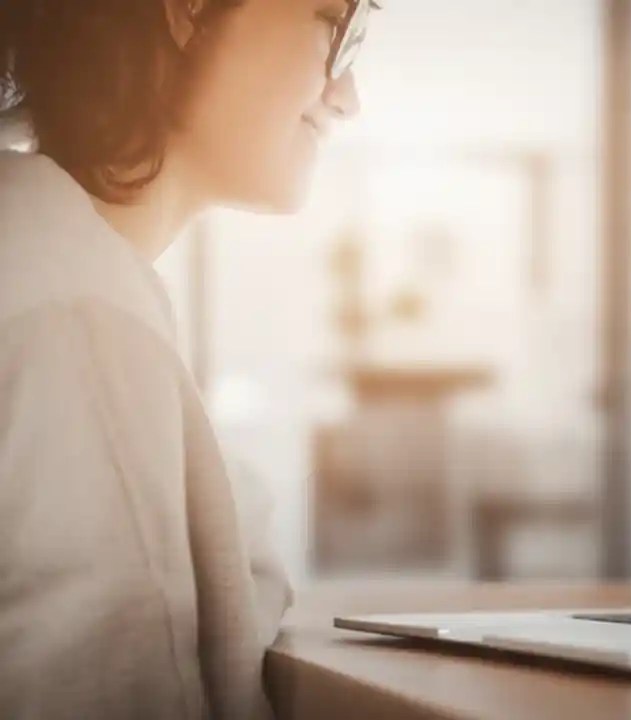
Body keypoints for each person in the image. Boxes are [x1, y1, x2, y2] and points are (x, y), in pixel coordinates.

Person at [0, 1, 377, 717]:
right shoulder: (79, 319)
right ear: (188, 10)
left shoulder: (53, 264)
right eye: (335, 28)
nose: (347, 96)